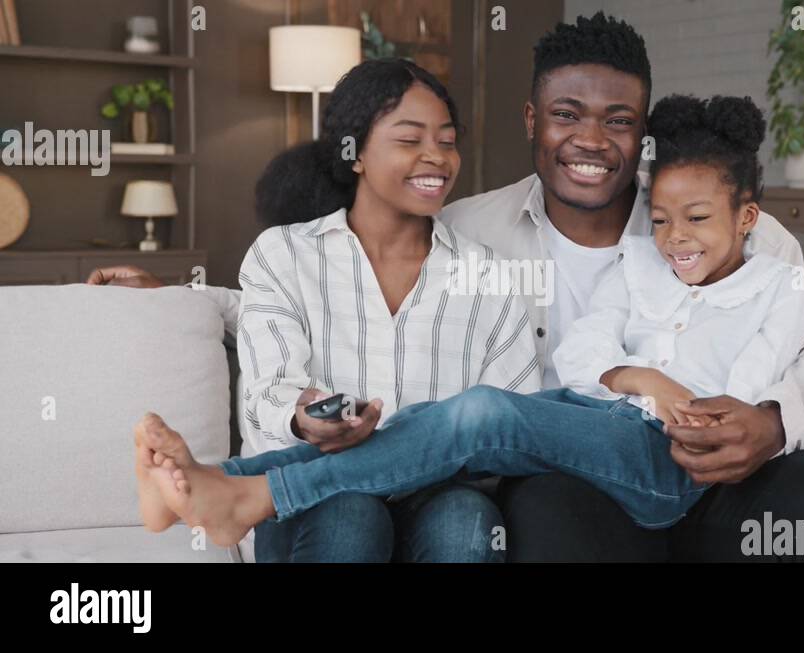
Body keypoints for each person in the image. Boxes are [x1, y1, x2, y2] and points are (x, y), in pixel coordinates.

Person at [96, 12, 804, 562]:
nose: (591, 139)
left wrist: (772, 421)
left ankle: (242, 491)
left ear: (643, 130)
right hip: (576, 465)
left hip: (720, 463)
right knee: (505, 479)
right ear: (531, 120)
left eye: (619, 120)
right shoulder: (471, 229)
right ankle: (246, 493)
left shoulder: (729, 229)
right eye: (567, 114)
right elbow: (351, 275)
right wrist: (178, 300)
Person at [137, 57, 542, 562]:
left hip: (440, 499)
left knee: (466, 520)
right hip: (314, 501)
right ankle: (236, 492)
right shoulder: (284, 254)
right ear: (354, 153)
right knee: (351, 512)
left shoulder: (488, 276)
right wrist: (306, 419)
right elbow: (269, 391)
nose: (436, 157)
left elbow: (514, 423)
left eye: (446, 140)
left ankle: (221, 485)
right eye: (410, 139)